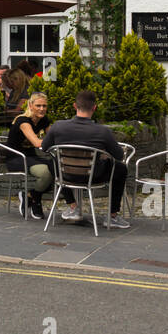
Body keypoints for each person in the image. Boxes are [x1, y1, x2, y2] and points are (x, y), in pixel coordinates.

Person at [40, 89, 131, 229]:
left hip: (66, 176)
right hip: (93, 176)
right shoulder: (103, 131)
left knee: (52, 162)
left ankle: (73, 207)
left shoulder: (58, 126)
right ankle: (112, 216)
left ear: (75, 106)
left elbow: (45, 148)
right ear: (94, 108)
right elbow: (119, 156)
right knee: (121, 168)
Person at [5, 91, 54, 220]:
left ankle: (30, 196)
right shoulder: (23, 121)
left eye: (44, 106)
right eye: (38, 105)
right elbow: (37, 142)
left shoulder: (44, 120)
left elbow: (54, 136)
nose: (42, 109)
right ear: (30, 105)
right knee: (46, 173)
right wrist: (53, 140)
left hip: (31, 157)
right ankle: (36, 200)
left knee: (57, 169)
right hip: (16, 158)